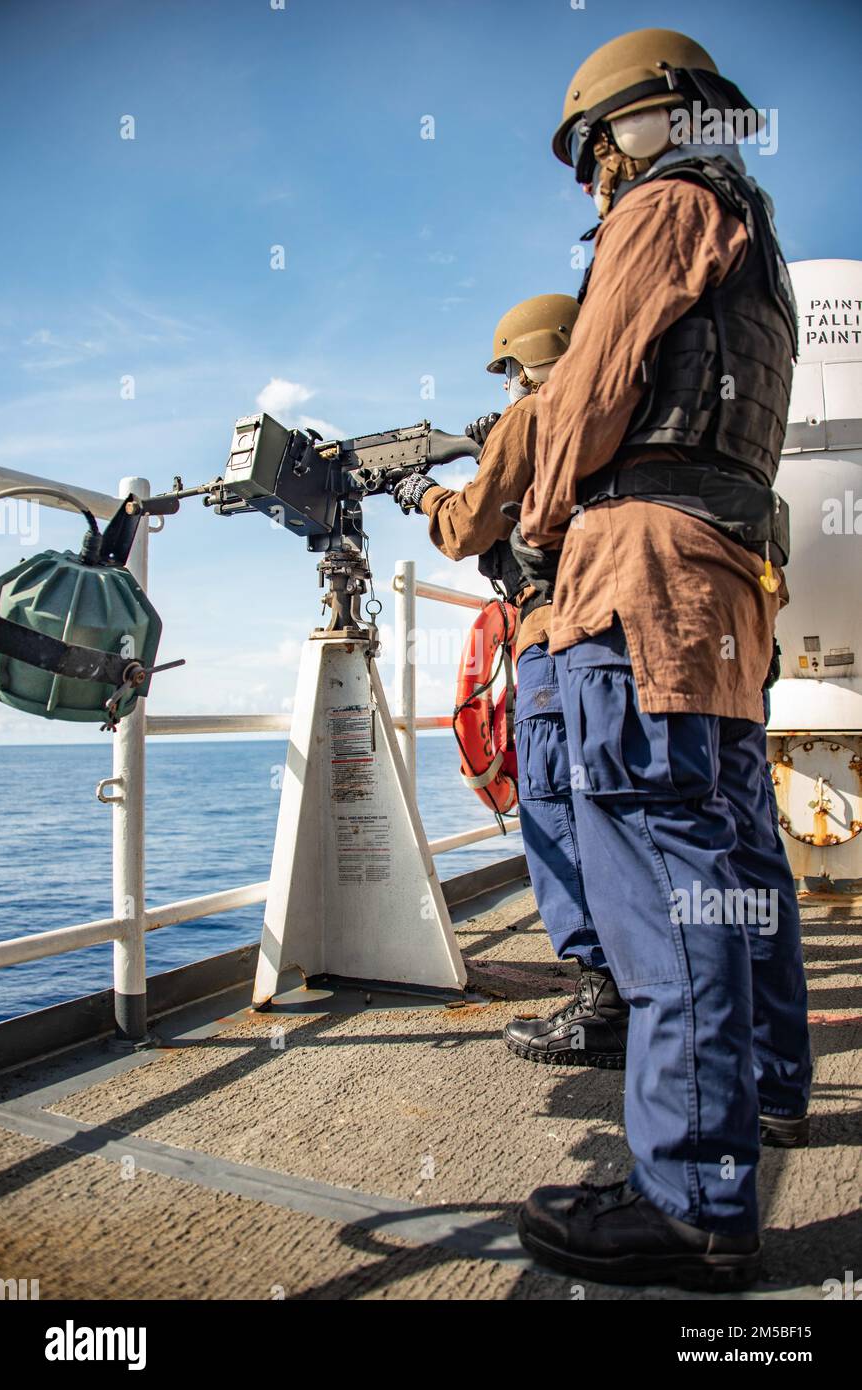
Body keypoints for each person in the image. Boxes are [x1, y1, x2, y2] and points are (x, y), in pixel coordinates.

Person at [514, 28, 811, 1290]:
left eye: (593, 151)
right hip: (725, 585)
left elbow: (588, 390)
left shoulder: (667, 201)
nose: (593, 184)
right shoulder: (761, 239)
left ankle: (693, 1198)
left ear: (647, 120)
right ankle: (770, 1092)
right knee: (739, 855)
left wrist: (537, 517)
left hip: (640, 577)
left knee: (663, 876)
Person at [393, 295, 628, 1069]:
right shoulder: (625, 400)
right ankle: (654, 980)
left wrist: (417, 492)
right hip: (626, 628)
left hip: (553, 633)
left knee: (555, 804)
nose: (504, 389)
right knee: (629, 808)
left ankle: (602, 994)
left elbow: (465, 529)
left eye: (508, 373)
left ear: (529, 362)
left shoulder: (536, 413)